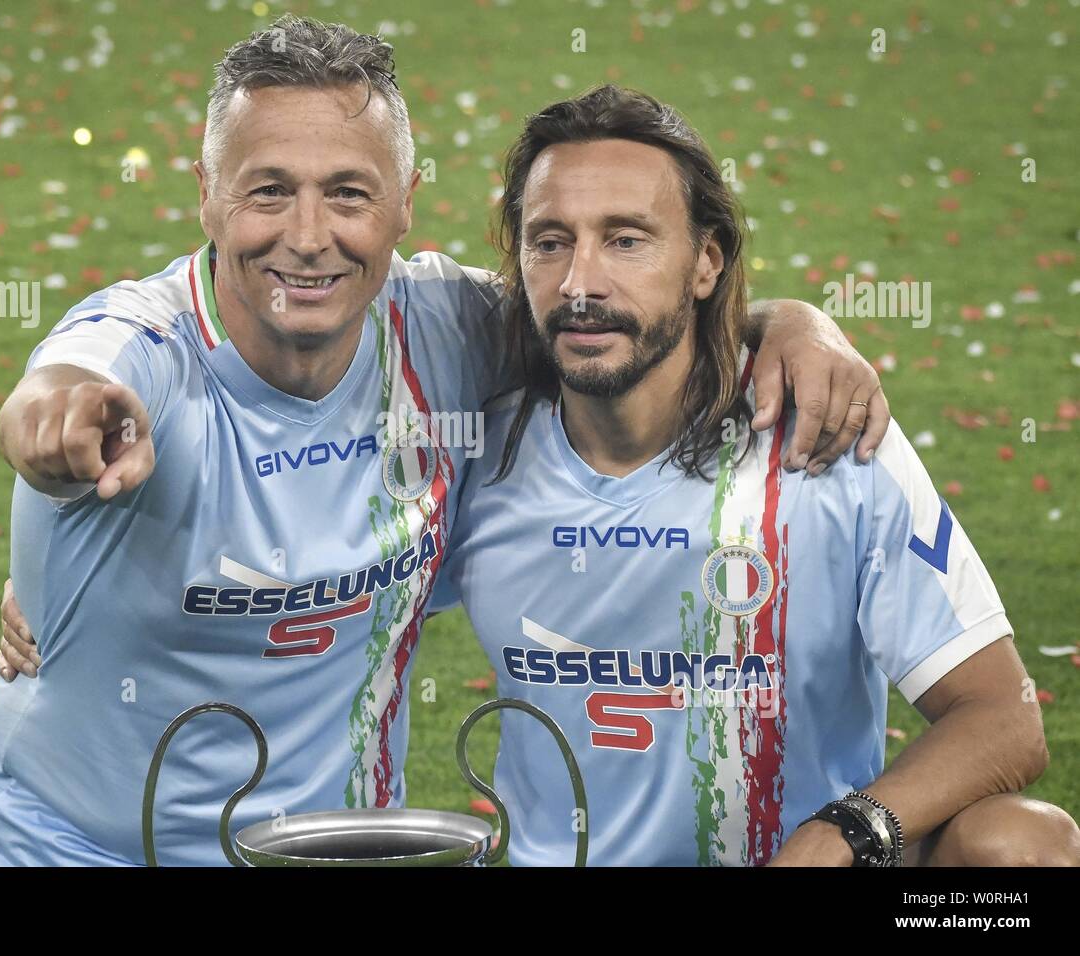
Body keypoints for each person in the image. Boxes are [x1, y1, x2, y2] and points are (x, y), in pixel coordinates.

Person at [0, 17, 888, 866]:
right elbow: (57, 392)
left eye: (347, 194)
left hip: (338, 844)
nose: (307, 237)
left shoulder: (446, 329)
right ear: (207, 197)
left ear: (406, 203)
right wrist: (57, 429)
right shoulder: (141, 347)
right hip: (77, 847)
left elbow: (618, 313)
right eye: (267, 191)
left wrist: (793, 323)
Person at [428, 85, 1080, 866]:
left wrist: (847, 828)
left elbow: (1003, 718)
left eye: (627, 240)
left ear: (706, 262)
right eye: (550, 241)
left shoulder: (825, 437)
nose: (580, 282)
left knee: (1021, 845)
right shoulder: (473, 459)